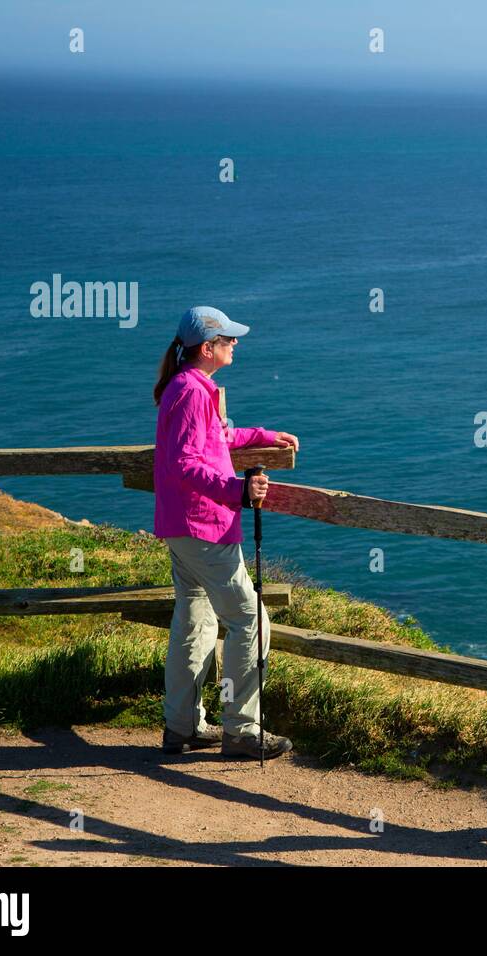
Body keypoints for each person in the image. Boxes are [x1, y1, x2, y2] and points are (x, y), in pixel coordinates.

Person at [151, 306, 300, 760]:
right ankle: (241, 730)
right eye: (228, 339)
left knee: (194, 620)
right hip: (205, 526)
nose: (235, 344)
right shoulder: (193, 392)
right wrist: (237, 490)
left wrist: (263, 435)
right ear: (206, 348)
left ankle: (182, 726)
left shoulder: (187, 387)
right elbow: (186, 463)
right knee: (248, 619)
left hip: (181, 525)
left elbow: (216, 438)